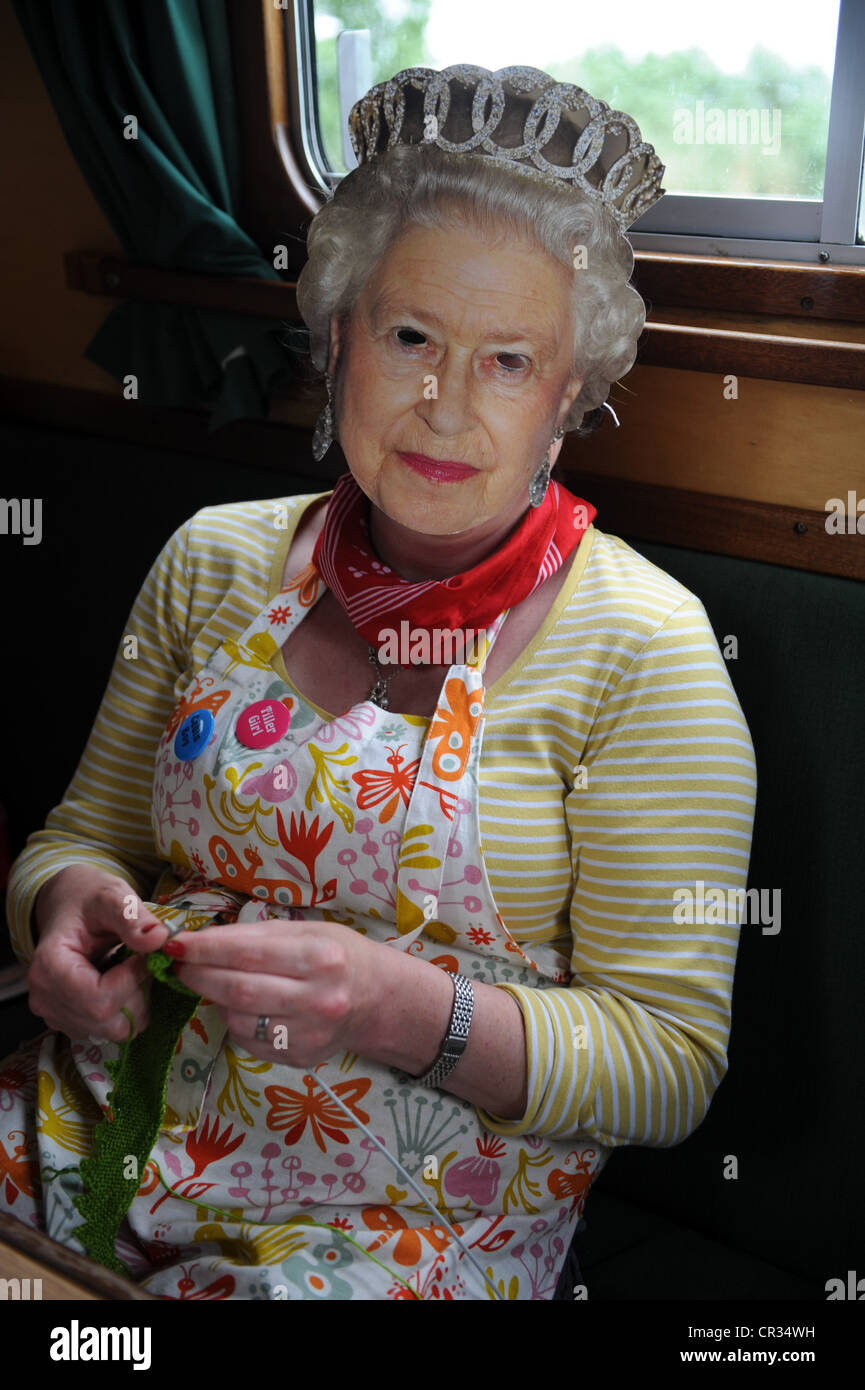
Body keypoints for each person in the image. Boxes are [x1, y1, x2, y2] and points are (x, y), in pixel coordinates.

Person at [1, 65, 756, 1300]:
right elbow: (79, 841)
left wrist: (400, 1006)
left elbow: (667, 1059)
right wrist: (62, 913)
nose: (444, 404)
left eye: (508, 361)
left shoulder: (647, 649)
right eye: (410, 336)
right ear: (339, 332)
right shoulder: (214, 557)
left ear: (567, 397)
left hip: (402, 1228)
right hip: (93, 1125)